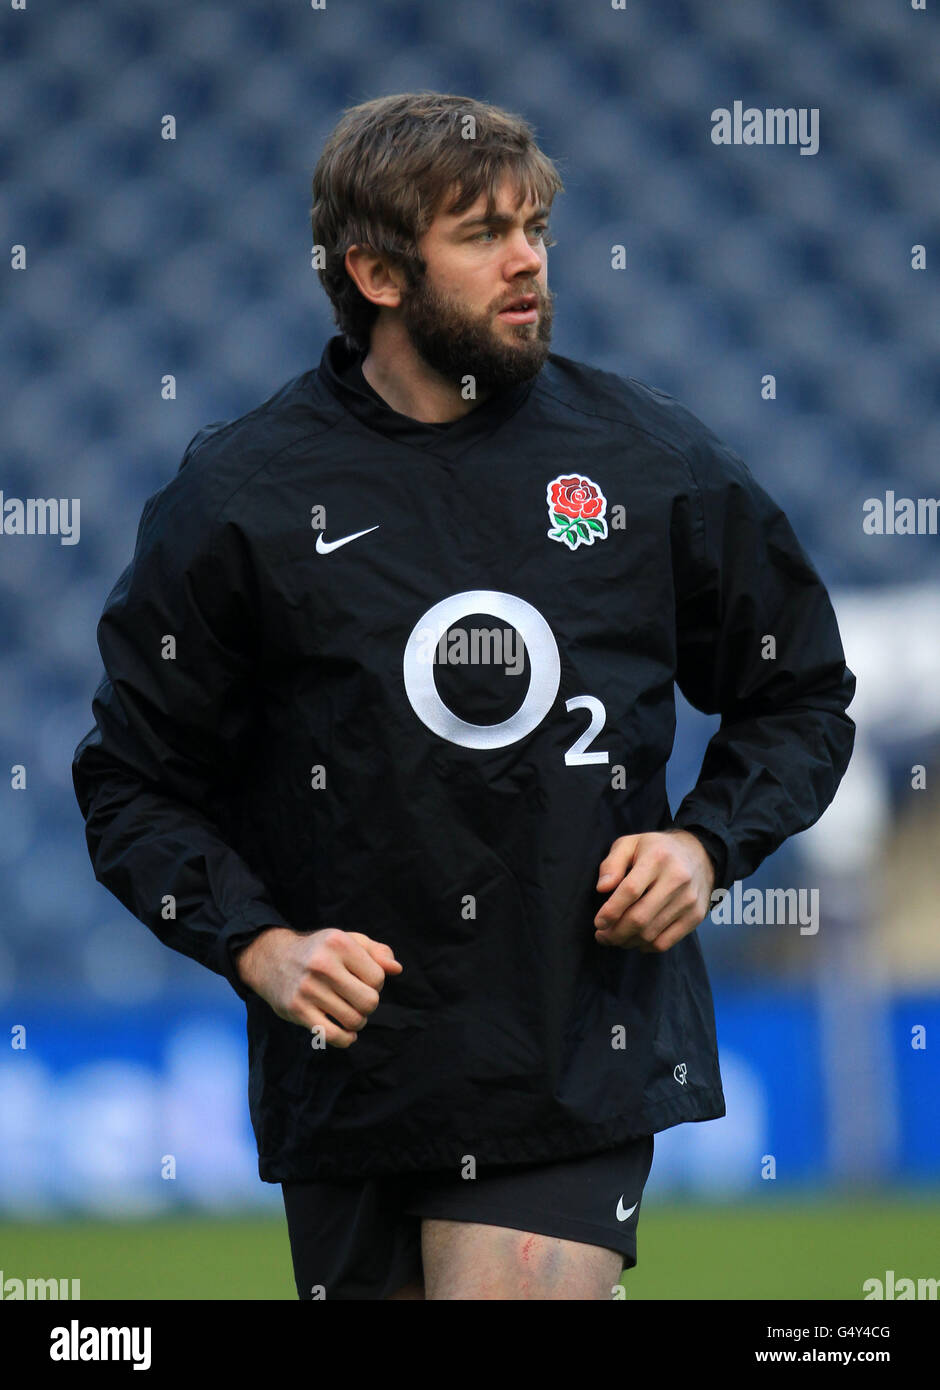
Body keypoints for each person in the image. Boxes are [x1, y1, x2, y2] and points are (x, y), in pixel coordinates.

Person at [72, 91, 856, 1301]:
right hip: (355, 1072)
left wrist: (706, 846)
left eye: (535, 225)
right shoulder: (245, 497)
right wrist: (262, 947)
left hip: (569, 1046)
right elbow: (130, 781)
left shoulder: (651, 464)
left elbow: (799, 691)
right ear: (379, 273)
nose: (530, 258)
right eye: (484, 233)